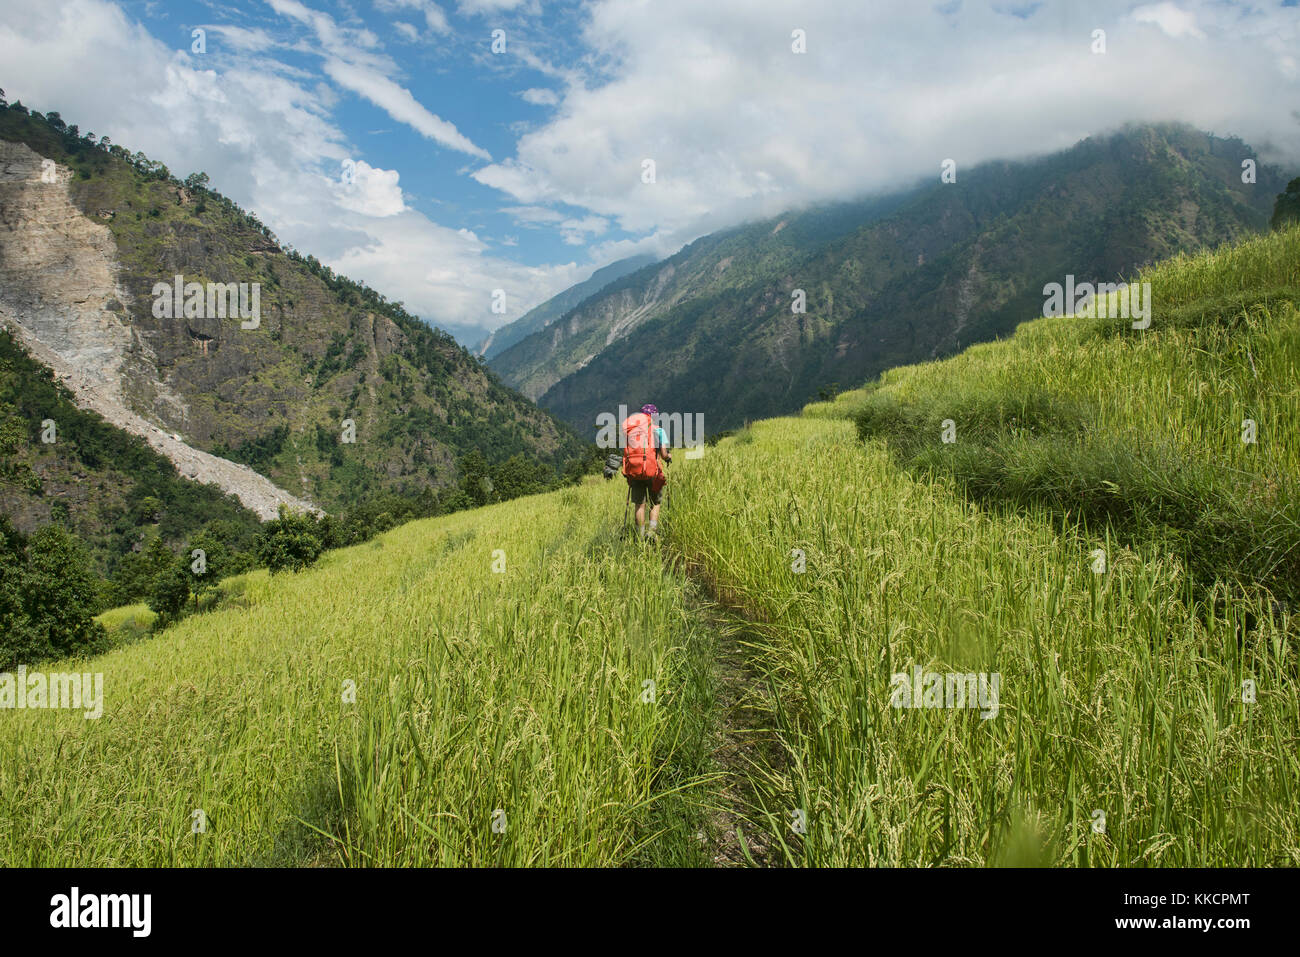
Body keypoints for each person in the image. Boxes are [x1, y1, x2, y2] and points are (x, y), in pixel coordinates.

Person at [622, 403, 672, 538]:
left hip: (635, 472)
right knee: (655, 502)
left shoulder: (633, 432)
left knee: (639, 504)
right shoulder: (659, 430)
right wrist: (668, 457)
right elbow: (663, 454)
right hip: (653, 472)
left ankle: (640, 535)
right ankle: (652, 532)